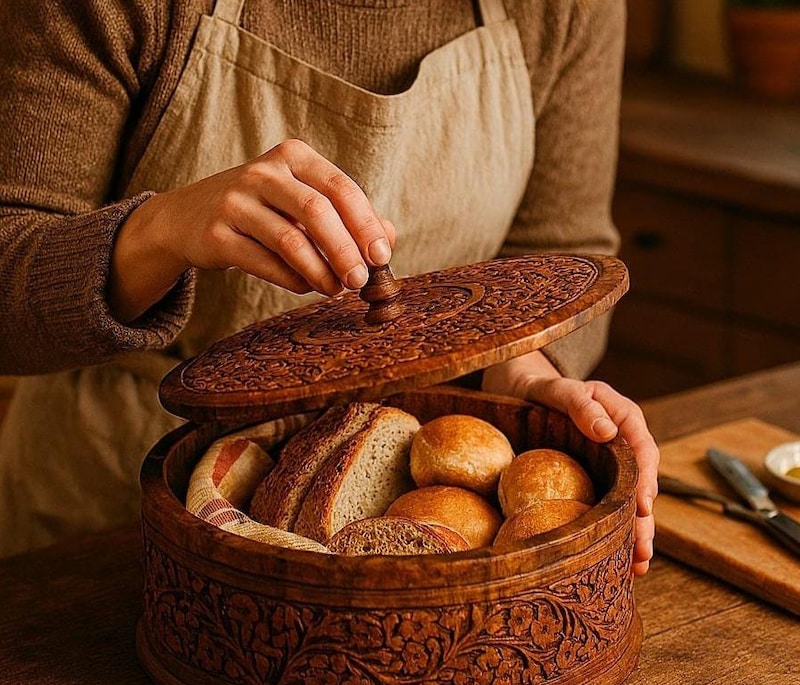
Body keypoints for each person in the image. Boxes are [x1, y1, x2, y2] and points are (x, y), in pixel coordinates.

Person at [0, 0, 658, 567]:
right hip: (110, 518)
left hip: (412, 510)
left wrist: (520, 374)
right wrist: (160, 229)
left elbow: (553, 255)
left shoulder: (566, 8)